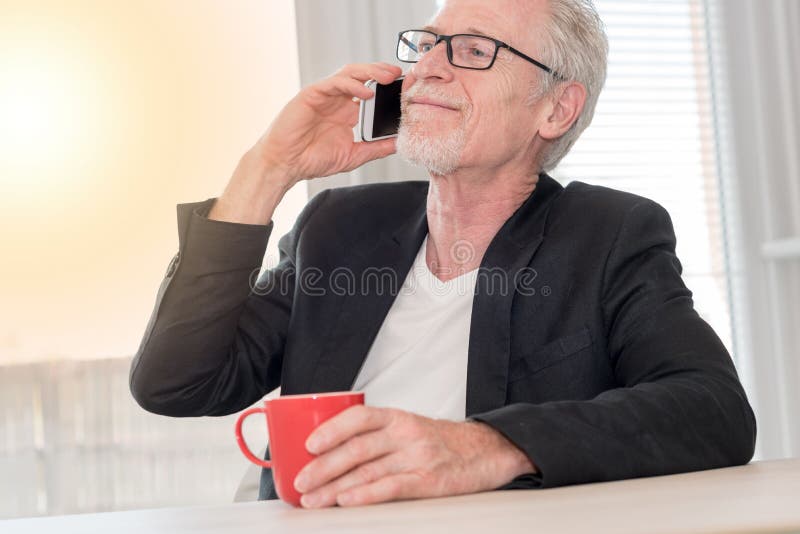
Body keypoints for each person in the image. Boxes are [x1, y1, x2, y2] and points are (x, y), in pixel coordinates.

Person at [130, 0, 756, 509]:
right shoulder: (339, 227)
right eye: (427, 43)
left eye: (475, 50)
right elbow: (177, 383)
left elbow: (714, 410)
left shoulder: (610, 233)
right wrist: (269, 167)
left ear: (556, 108)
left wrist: (484, 448)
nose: (428, 66)